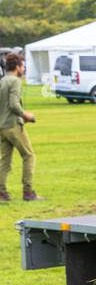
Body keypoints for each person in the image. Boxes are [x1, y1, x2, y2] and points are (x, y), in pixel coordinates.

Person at [0, 53, 41, 202]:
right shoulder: (15, 81)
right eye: (23, 66)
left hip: (2, 127)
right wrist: (25, 115)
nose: (24, 69)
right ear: (17, 67)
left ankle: (2, 193)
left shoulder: (2, 80)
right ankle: (28, 192)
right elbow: (13, 104)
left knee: (5, 161)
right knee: (29, 156)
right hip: (13, 126)